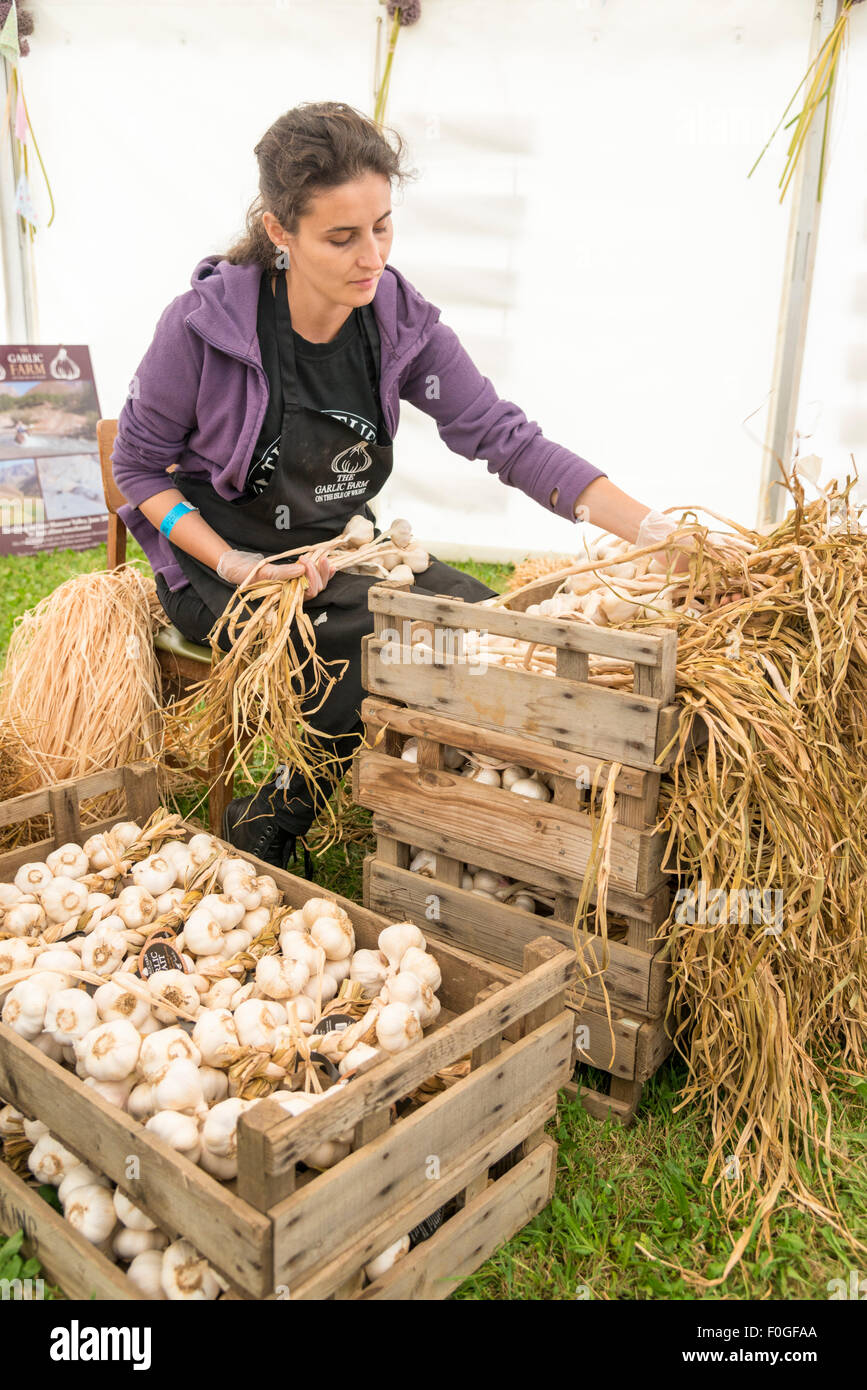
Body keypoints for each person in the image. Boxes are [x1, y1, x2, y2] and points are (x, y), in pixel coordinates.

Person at [113, 101, 680, 872]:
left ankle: (468, 825)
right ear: (280, 232)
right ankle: (277, 810)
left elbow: (505, 440)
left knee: (484, 628)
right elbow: (139, 467)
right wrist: (237, 565)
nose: (369, 256)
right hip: (221, 559)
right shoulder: (200, 327)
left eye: (382, 226)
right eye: (341, 237)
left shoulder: (397, 323)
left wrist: (653, 533)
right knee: (364, 639)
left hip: (339, 551)